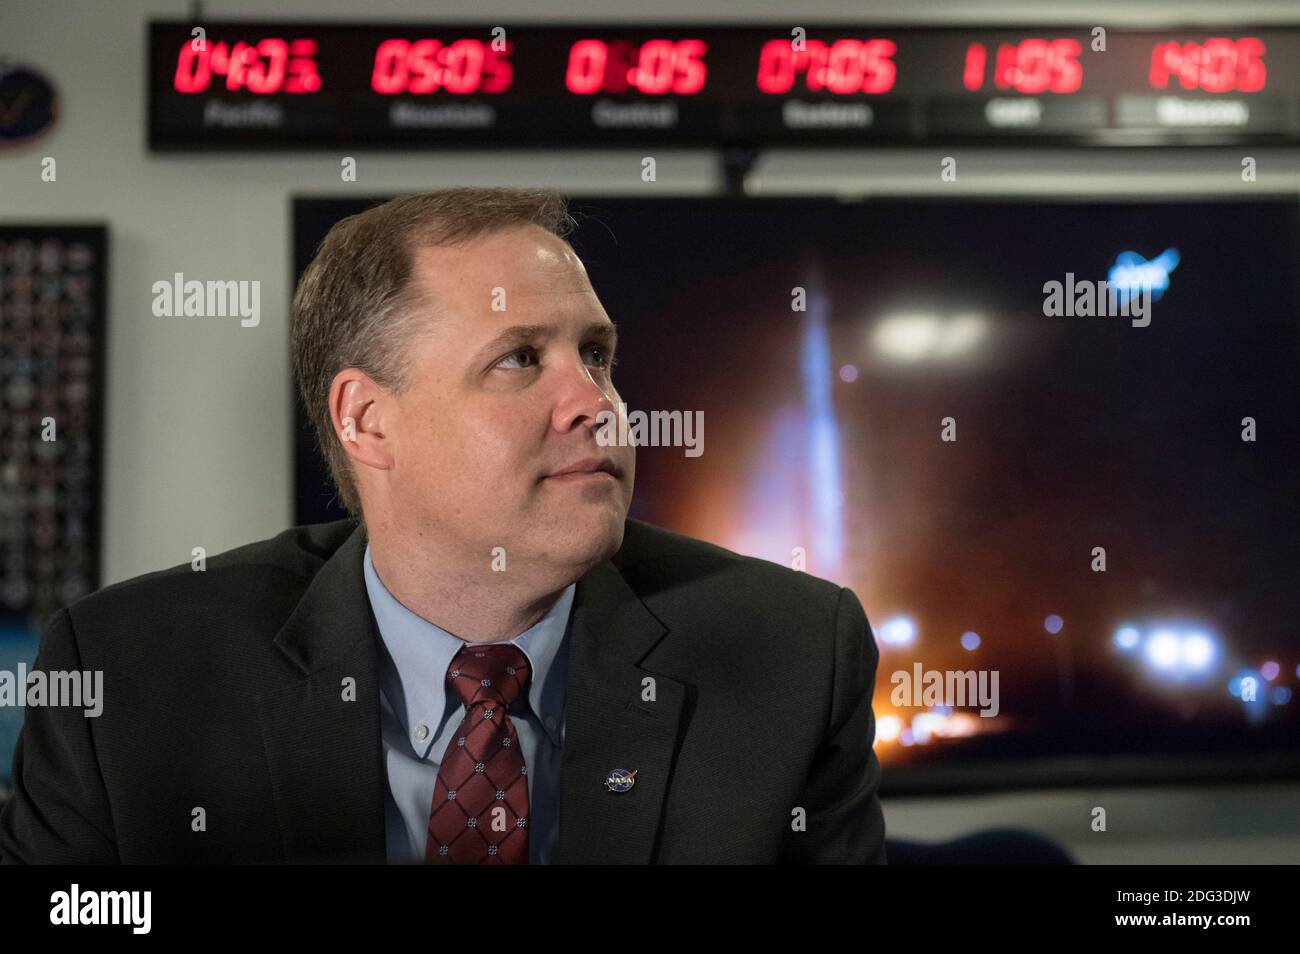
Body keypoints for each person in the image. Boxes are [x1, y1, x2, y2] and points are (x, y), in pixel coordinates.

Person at [0, 187, 886, 864]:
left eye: (598, 357)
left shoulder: (796, 654)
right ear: (368, 420)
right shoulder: (124, 674)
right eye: (520, 359)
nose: (598, 403)